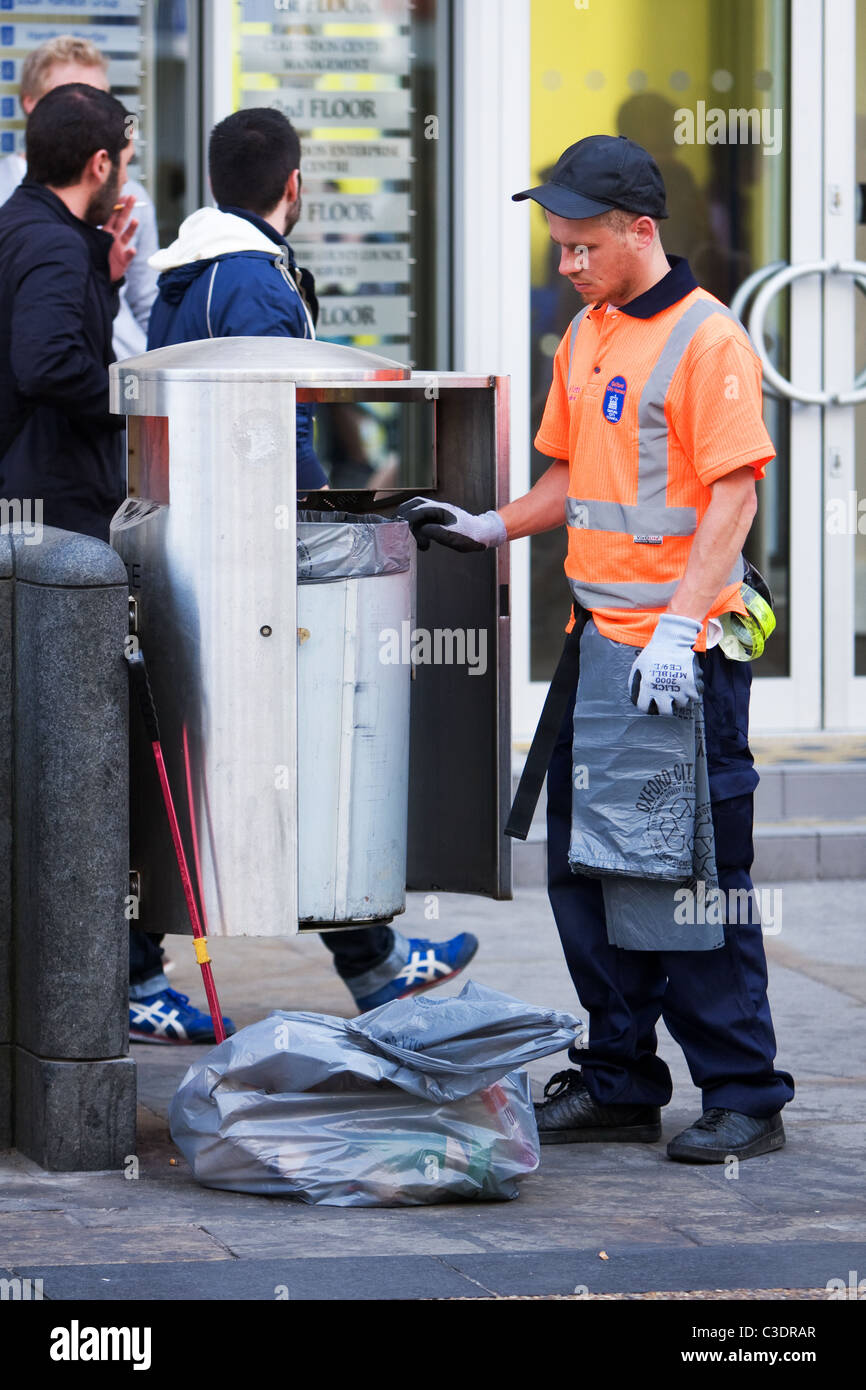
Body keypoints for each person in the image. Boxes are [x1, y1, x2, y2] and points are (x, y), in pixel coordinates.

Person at [398, 134, 794, 1164]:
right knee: (586, 872)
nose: (567, 263)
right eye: (559, 247)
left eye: (583, 246)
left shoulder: (707, 340)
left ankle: (744, 1091)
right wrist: (493, 525)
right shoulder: (585, 335)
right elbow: (572, 479)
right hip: (599, 652)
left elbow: (734, 497)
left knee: (690, 877)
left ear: (640, 231)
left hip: (680, 660)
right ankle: (619, 1078)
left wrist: (678, 627)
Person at [127, 107, 477, 1040]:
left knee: (210, 758)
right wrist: (319, 517)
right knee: (301, 752)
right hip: (255, 558)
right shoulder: (253, 280)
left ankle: (370, 964)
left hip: (195, 551)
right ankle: (151, 972)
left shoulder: (184, 274)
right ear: (293, 185)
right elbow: (278, 420)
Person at [0, 82, 139, 541]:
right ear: (100, 164)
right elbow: (46, 363)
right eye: (125, 164)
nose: (125, 181)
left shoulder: (18, 224)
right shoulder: (56, 244)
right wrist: (132, 404)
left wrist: (105, 277)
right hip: (53, 514)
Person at [0, 35, 159, 360]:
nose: (92, 111)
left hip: (121, 371)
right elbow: (46, 362)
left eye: (100, 98)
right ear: (31, 104)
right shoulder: (14, 201)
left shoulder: (130, 194)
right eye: (72, 97)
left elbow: (147, 303)